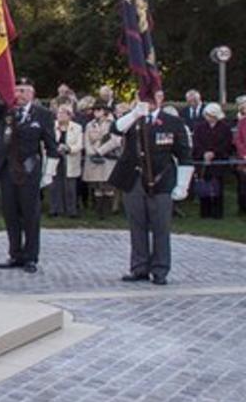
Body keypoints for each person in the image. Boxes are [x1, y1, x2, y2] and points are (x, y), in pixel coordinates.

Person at [110, 97, 192, 285]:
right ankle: (139, 267)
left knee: (160, 226)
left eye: (153, 96)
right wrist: (135, 113)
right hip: (134, 179)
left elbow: (184, 155)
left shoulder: (173, 122)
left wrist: (182, 185)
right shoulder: (133, 119)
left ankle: (160, 269)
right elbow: (115, 129)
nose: (150, 100)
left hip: (161, 181)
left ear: (161, 98)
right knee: (136, 226)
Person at [0, 78, 58, 274]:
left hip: (29, 169)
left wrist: (49, 173)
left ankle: (30, 256)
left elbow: (51, 146)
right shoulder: (7, 109)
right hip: (7, 168)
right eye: (16, 90)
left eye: (24, 90)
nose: (19, 94)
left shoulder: (43, 114)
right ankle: (15, 253)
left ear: (32, 93)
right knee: (10, 213)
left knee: (30, 215)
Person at [192, 103, 232, 219]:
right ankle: (205, 213)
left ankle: (217, 213)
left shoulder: (225, 128)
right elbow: (196, 143)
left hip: (218, 161)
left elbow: (226, 144)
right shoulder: (199, 127)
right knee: (204, 187)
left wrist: (214, 153)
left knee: (218, 187)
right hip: (203, 162)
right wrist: (204, 153)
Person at [82, 102, 121, 219]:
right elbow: (86, 139)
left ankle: (107, 211)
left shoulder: (114, 123)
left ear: (104, 111)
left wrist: (100, 151)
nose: (95, 112)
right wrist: (91, 151)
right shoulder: (90, 124)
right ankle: (98, 212)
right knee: (97, 185)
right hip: (93, 157)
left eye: (98, 110)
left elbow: (115, 141)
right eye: (94, 110)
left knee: (108, 185)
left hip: (108, 157)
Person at [48, 105, 84, 218]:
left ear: (69, 115)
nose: (60, 115)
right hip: (55, 157)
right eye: (59, 113)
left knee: (70, 186)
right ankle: (55, 209)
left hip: (70, 157)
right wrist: (55, 148)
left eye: (63, 113)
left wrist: (69, 148)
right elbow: (47, 140)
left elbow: (79, 144)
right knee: (54, 184)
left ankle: (71, 210)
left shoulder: (77, 127)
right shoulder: (51, 126)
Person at [234, 99, 246, 217]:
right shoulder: (242, 123)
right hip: (243, 160)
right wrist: (243, 155)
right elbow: (238, 140)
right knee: (243, 185)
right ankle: (243, 208)